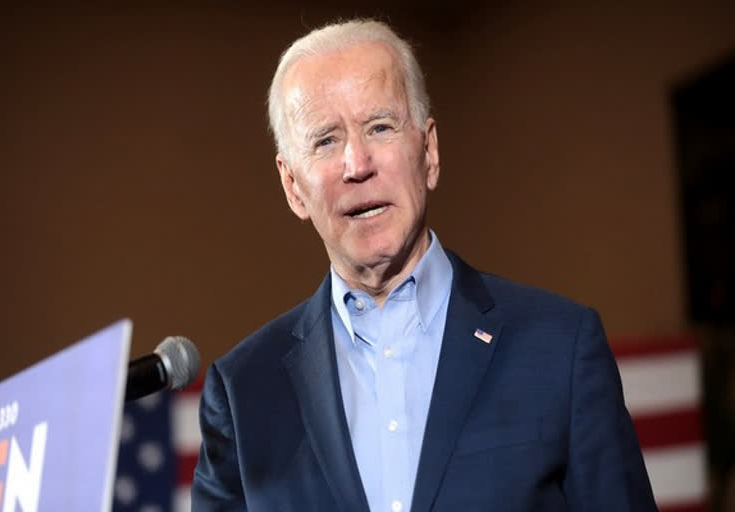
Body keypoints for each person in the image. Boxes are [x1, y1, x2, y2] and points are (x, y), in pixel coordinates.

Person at [192, 19, 657, 512]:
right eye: (325, 140)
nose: (357, 164)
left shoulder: (560, 347)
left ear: (429, 151)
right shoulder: (243, 392)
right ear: (292, 187)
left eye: (380, 127)